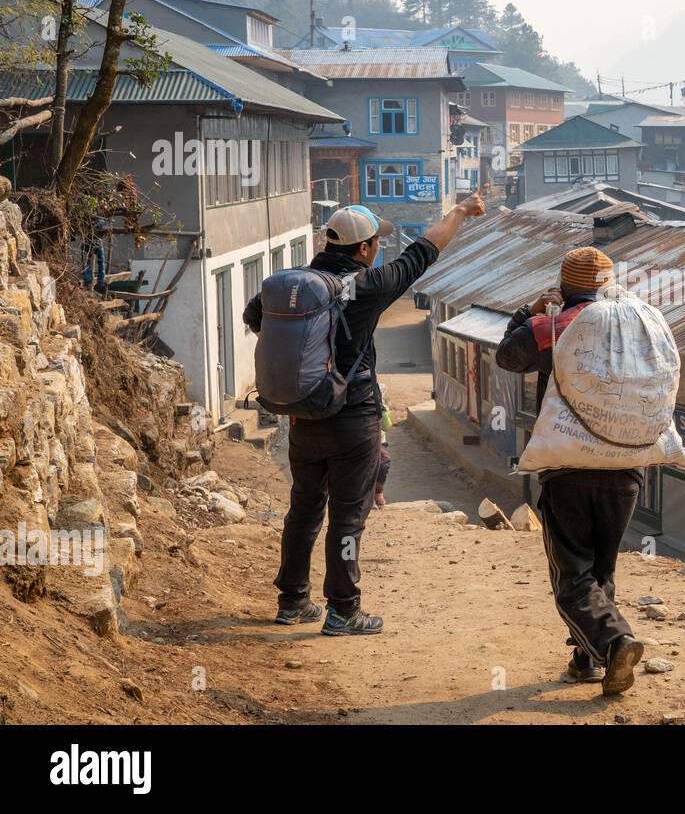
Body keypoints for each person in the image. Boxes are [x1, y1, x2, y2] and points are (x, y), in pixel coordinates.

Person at [244, 198, 484, 635]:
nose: (377, 250)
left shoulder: (298, 285)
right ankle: (343, 610)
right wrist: (461, 212)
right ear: (364, 248)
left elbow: (253, 317)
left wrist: (304, 359)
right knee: (349, 516)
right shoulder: (368, 286)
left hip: (304, 414)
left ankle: (293, 601)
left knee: (304, 507)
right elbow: (425, 250)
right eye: (375, 243)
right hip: (353, 416)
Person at [495, 247, 646, 695]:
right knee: (600, 570)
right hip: (626, 467)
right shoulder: (636, 325)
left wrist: (530, 311)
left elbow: (507, 356)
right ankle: (587, 660)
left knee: (572, 578)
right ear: (608, 286)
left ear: (562, 287)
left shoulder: (555, 326)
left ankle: (615, 642)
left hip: (569, 467)